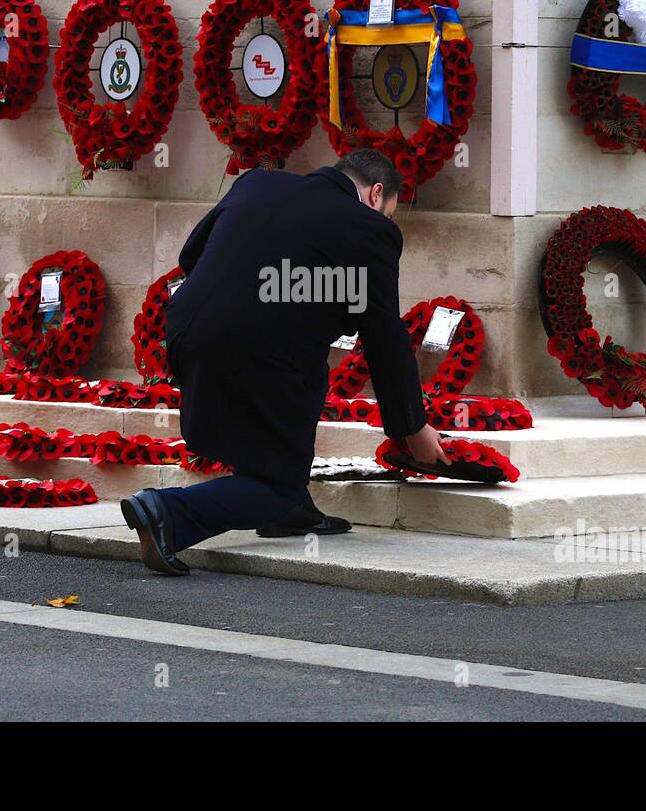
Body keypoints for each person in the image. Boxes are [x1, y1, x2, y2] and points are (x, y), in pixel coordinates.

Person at [121, 149, 449, 576]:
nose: (387, 221)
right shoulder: (370, 229)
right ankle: (168, 511)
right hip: (257, 347)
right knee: (273, 484)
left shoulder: (258, 182)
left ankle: (292, 509)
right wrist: (412, 428)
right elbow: (384, 337)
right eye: (389, 213)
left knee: (283, 402)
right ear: (376, 194)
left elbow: (191, 256)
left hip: (188, 328)